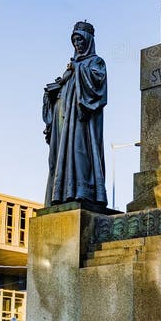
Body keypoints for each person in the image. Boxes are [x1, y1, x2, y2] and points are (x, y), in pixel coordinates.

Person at [43, 21, 108, 207]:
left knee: (81, 153)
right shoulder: (71, 66)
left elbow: (98, 88)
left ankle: (82, 190)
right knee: (62, 155)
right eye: (75, 41)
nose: (77, 44)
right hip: (65, 120)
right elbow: (65, 86)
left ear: (88, 41)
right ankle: (64, 193)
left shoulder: (96, 62)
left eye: (80, 40)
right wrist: (55, 90)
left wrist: (76, 70)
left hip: (82, 120)